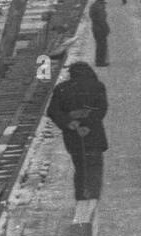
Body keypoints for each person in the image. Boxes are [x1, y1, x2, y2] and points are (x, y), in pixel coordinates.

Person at [46, 61, 109, 201]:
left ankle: (81, 200)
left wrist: (69, 123)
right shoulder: (97, 86)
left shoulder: (61, 88)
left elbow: (52, 111)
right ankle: (92, 202)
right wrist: (87, 125)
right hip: (94, 136)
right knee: (94, 168)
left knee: (80, 168)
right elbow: (101, 110)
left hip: (73, 137)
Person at [90, 0, 110, 66]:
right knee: (101, 46)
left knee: (99, 45)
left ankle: (99, 60)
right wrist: (106, 29)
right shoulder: (99, 7)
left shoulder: (93, 5)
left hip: (95, 28)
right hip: (100, 29)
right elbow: (101, 20)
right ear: (102, 0)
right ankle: (100, 62)